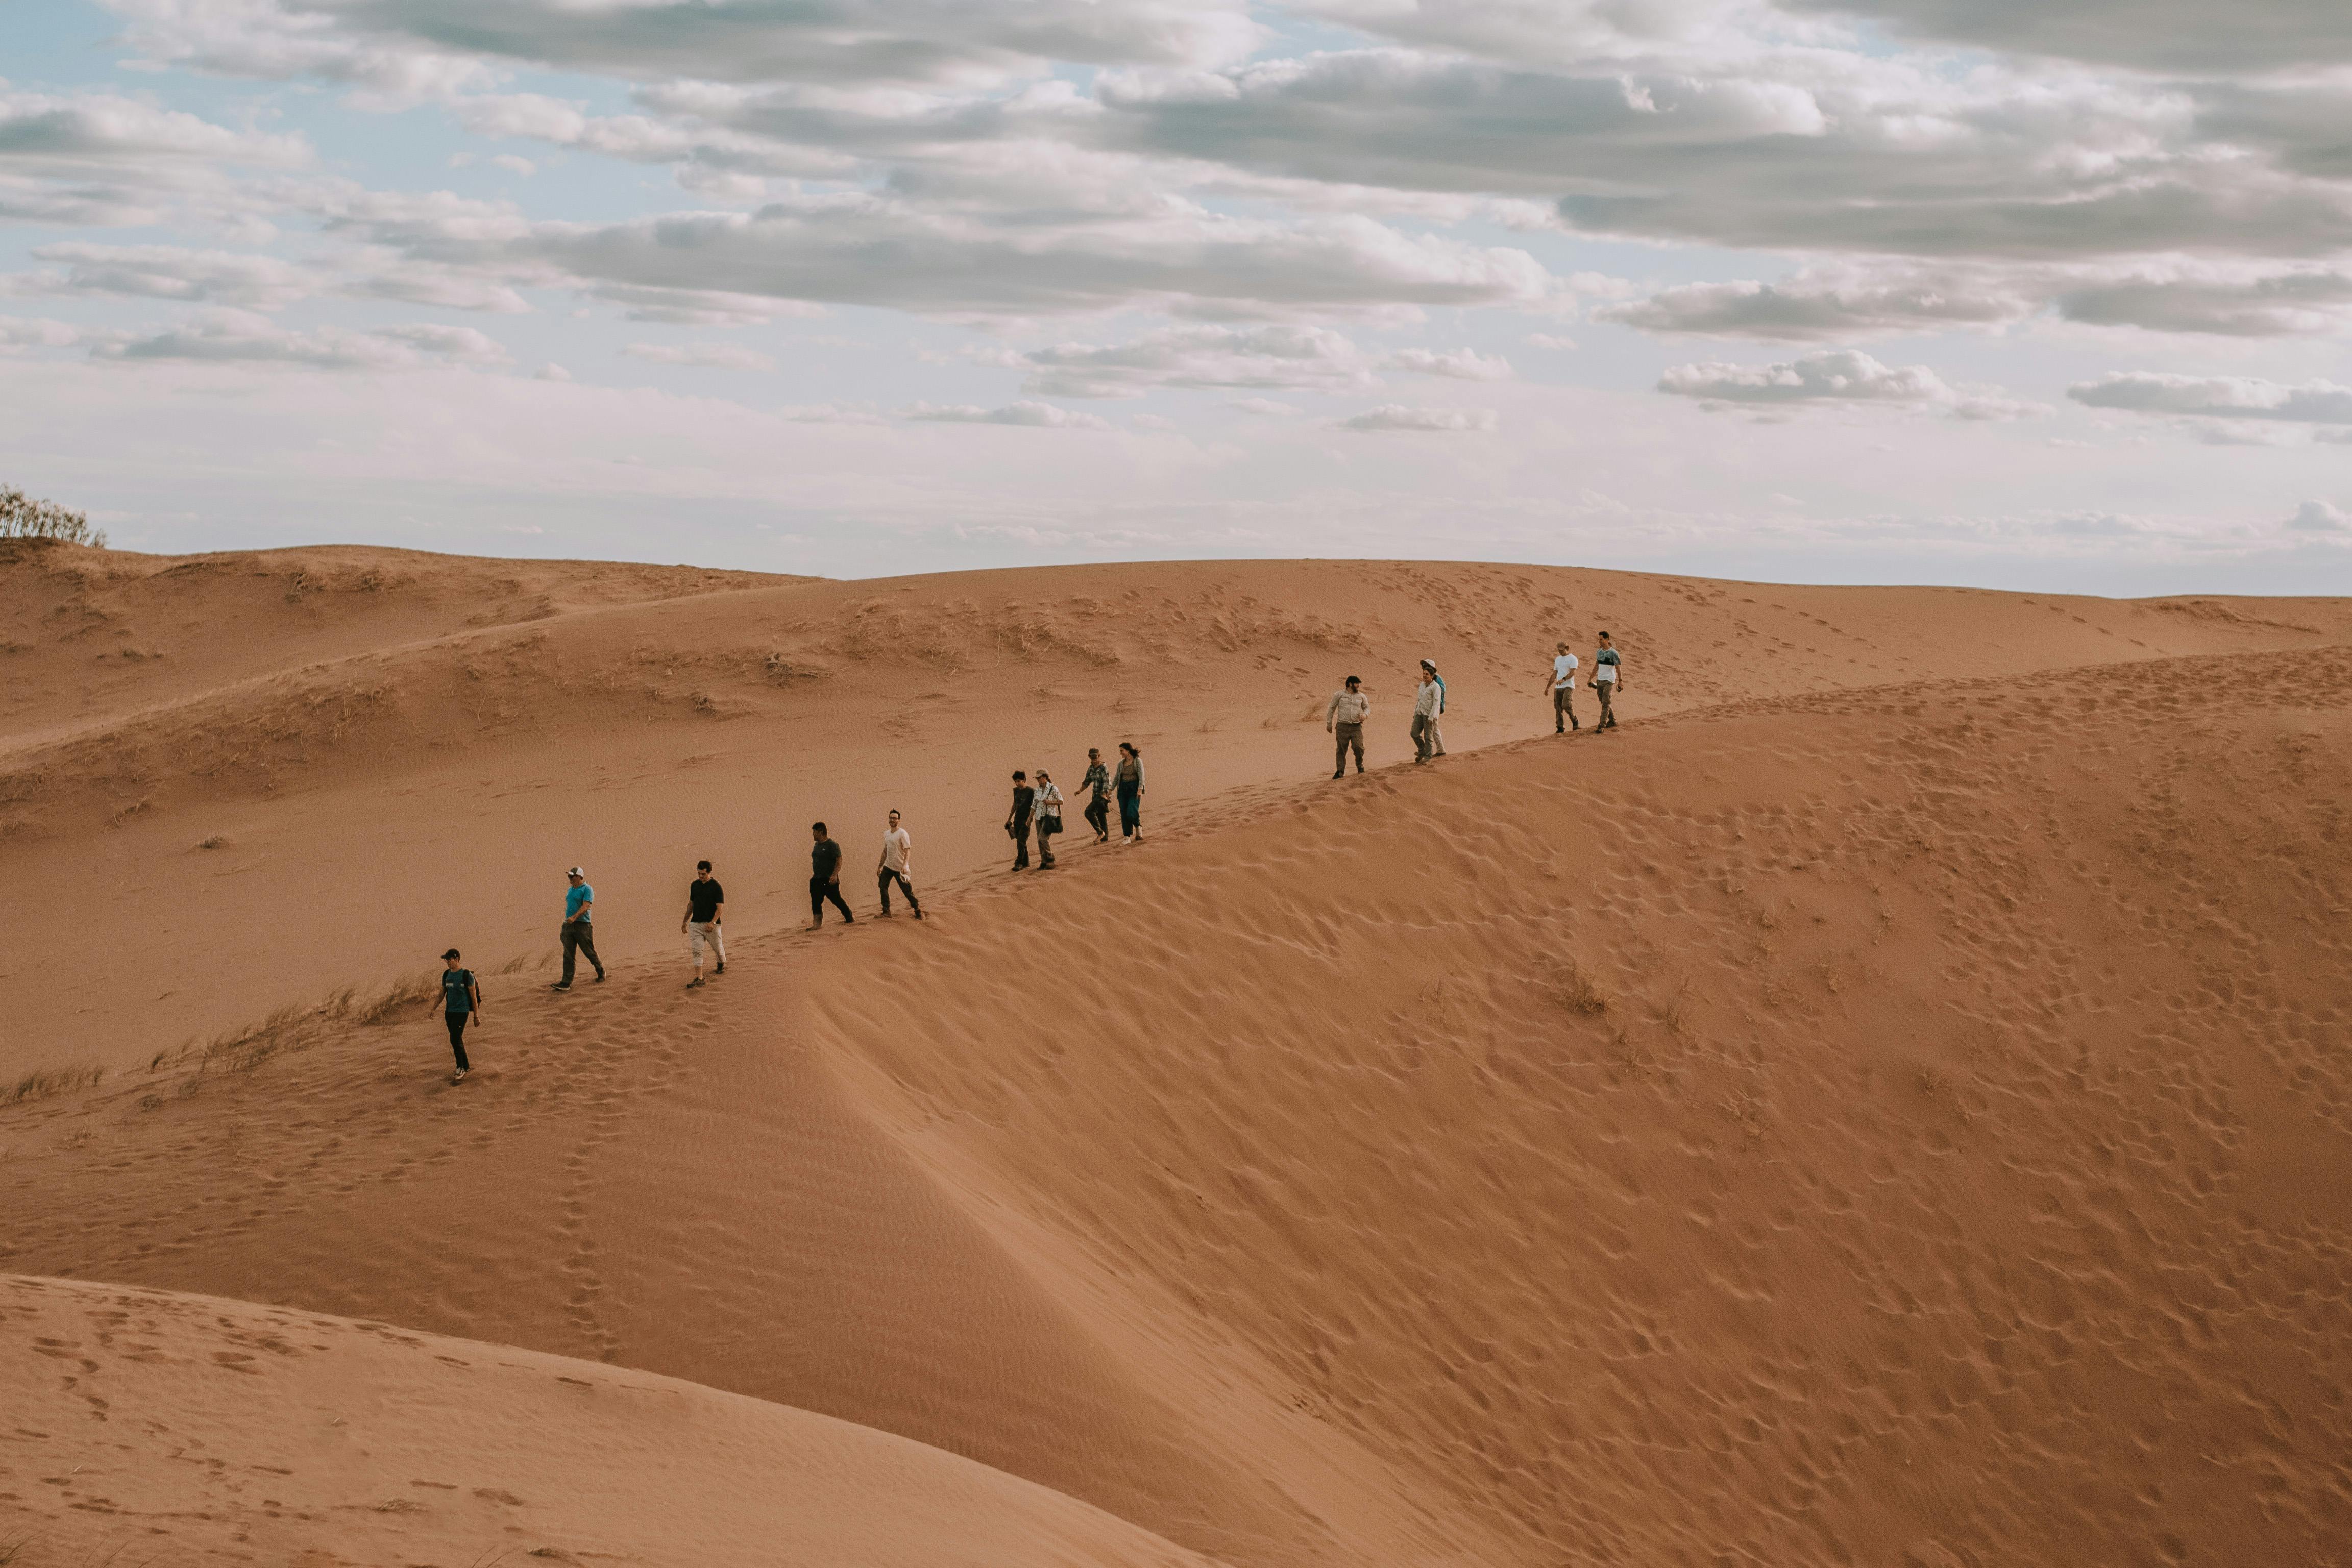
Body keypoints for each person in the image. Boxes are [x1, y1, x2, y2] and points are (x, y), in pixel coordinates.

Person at [553, 866, 604, 991]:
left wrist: (574, 917)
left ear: (579, 877)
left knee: (589, 952)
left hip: (583, 926)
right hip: (569, 926)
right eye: (569, 876)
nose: (569, 878)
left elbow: (586, 906)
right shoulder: (570, 890)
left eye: (572, 876)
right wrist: (567, 923)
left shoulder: (587, 889)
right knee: (568, 954)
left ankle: (601, 971)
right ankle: (566, 982)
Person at [439, 947, 481, 1085]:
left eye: (449, 959)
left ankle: (460, 1068)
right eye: (446, 959)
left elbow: (473, 997)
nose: (447, 962)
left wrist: (476, 1016)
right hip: (449, 1012)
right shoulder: (446, 975)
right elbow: (442, 993)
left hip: (462, 1012)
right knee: (457, 1039)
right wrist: (433, 1008)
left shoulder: (466, 975)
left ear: (457, 959)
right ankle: (466, 1065)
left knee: (455, 1038)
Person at [681, 859, 725, 988]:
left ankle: (721, 964)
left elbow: (720, 907)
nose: (701, 877)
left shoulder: (716, 887)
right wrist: (685, 921)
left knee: (718, 950)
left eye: (704, 874)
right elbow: (691, 904)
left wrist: (713, 922)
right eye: (699, 874)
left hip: (712, 925)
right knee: (697, 951)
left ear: (709, 872)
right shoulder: (694, 885)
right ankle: (700, 978)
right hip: (696, 924)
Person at [878, 808, 922, 918]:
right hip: (888, 866)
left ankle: (917, 909)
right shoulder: (886, 834)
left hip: (900, 868)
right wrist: (880, 866)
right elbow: (885, 851)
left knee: (907, 890)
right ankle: (886, 911)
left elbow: (907, 850)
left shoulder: (903, 834)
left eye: (895, 818)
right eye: (891, 818)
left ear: (899, 820)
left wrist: (905, 865)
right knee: (883, 886)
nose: (892, 820)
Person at [808, 822, 853, 928]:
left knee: (836, 900)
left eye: (815, 832)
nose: (813, 835)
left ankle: (848, 915)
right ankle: (817, 925)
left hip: (829, 879)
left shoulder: (832, 845)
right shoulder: (816, 845)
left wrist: (834, 875)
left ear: (821, 832)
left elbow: (839, 860)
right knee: (815, 902)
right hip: (816, 879)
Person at [1326, 675, 1369, 778]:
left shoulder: (1362, 696)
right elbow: (1331, 709)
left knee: (1358, 747)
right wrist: (1329, 723)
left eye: (1359, 684)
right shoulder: (1339, 695)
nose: (1359, 686)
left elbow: (1367, 708)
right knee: (1341, 750)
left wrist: (1365, 715)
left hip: (1356, 727)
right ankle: (1340, 771)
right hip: (1342, 726)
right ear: (1350, 684)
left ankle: (1360, 765)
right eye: (1357, 684)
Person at [1544, 642, 1581, 733]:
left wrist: (1564, 680)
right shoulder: (1558, 660)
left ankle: (1575, 721)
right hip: (1558, 687)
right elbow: (1554, 674)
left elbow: (1573, 672)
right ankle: (1560, 728)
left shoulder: (1573, 658)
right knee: (1558, 708)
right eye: (1559, 650)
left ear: (1567, 648)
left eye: (1562, 650)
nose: (1561, 652)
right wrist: (1548, 687)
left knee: (1566, 705)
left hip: (1569, 686)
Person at [1114, 742, 1144, 843]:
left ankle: (1138, 826)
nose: (1121, 753)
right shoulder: (1120, 764)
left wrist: (1140, 789)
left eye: (1122, 751)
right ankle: (1127, 837)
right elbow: (1117, 778)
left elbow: (1142, 776)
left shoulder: (1137, 761)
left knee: (1131, 812)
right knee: (1124, 814)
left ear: (1128, 750)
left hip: (1134, 790)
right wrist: (1110, 790)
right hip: (1123, 790)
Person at [1006, 770, 1036, 870]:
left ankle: (1019, 863)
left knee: (1021, 840)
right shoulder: (1016, 790)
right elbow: (1015, 804)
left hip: (1026, 819)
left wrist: (1030, 819)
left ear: (1024, 780)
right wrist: (1009, 819)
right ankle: (1025, 863)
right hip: (1017, 819)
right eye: (1016, 781)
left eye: (1019, 781)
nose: (1017, 783)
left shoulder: (1031, 791)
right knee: (1021, 841)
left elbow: (1034, 806)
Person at [1081, 748, 1113, 843]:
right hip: (1095, 795)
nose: (1094, 760)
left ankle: (1100, 832)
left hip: (1103, 796)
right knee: (1101, 815)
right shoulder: (1091, 768)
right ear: (1089, 757)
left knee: (1088, 812)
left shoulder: (1104, 767)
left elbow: (1107, 782)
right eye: (1092, 758)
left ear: (1099, 756)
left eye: (1096, 757)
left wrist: (1104, 794)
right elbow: (1087, 781)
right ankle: (1105, 837)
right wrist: (1080, 790)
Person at [1034, 769, 1065, 868]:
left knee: (1043, 838)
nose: (1038, 780)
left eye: (1039, 778)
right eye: (1037, 778)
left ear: (1045, 778)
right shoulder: (1037, 790)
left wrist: (1050, 802)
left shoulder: (1053, 788)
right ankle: (1044, 862)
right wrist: (1030, 817)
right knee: (1039, 841)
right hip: (1039, 817)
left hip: (1049, 818)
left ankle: (1051, 858)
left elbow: (1061, 801)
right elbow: (1034, 805)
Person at [1593, 631, 1623, 730]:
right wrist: (1590, 678)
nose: (1599, 641)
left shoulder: (1614, 653)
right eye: (1599, 639)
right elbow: (1597, 665)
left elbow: (1618, 667)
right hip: (1600, 680)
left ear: (1607, 639)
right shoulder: (1599, 652)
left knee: (1606, 702)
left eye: (1601, 639)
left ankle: (1602, 725)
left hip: (1609, 681)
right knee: (1604, 701)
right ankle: (1613, 721)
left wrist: (1620, 681)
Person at [1411, 666, 1440, 764]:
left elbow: (1437, 703)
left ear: (1432, 676)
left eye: (1427, 674)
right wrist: (1416, 712)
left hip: (1429, 715)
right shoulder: (1422, 685)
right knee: (1414, 733)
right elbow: (1419, 699)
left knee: (1428, 737)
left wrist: (1432, 717)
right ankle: (1422, 750)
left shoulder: (1436, 687)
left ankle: (1428, 757)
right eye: (1424, 674)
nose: (1424, 676)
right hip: (1420, 712)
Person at [1422, 659, 1448, 756]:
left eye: (1426, 665)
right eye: (1424, 666)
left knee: (1434, 727)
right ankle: (1438, 749)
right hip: (1428, 707)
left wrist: (1434, 688)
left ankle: (1440, 750)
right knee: (1433, 728)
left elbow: (1443, 689)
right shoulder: (1426, 678)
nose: (1424, 667)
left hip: (1436, 706)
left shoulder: (1437, 678)